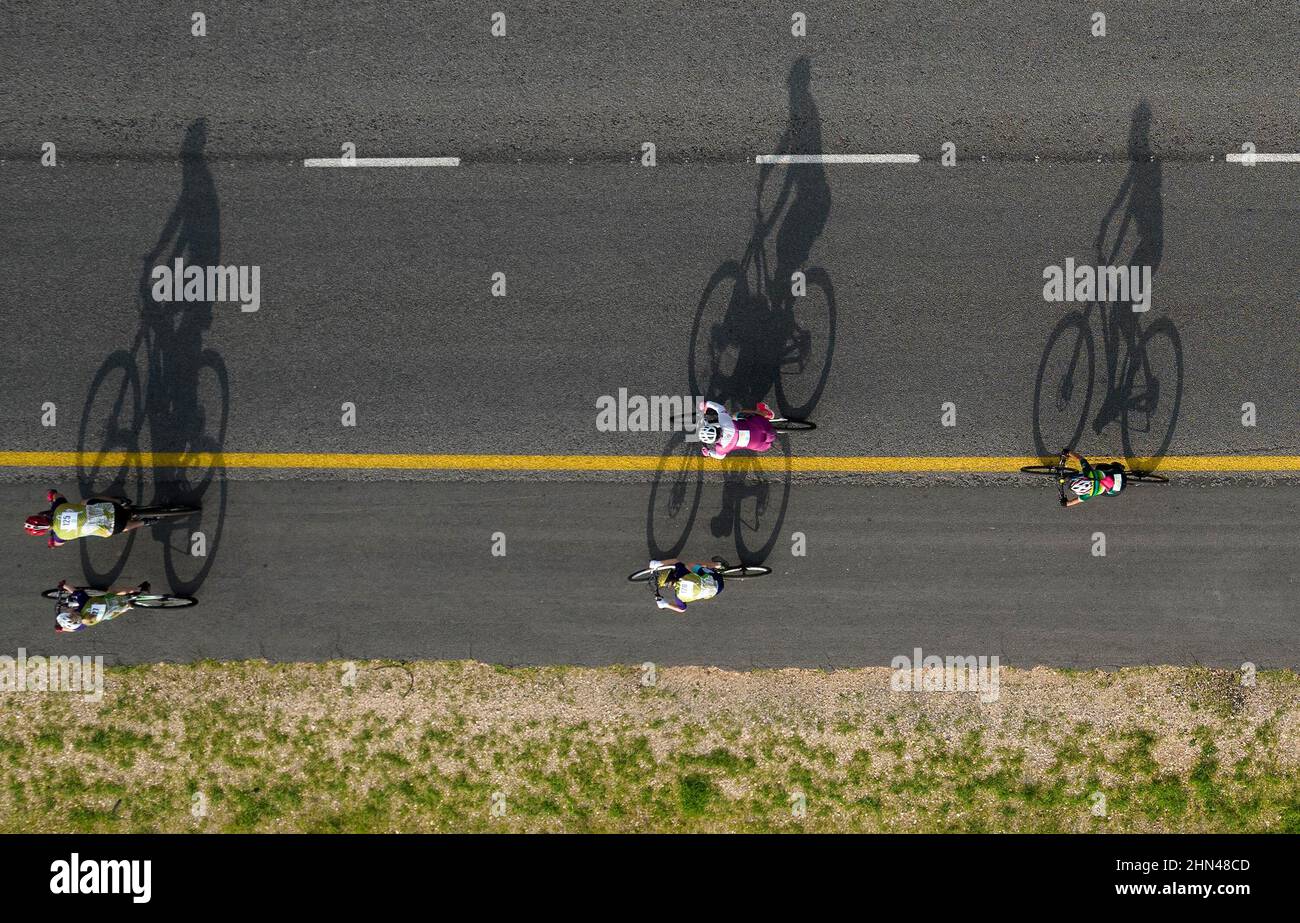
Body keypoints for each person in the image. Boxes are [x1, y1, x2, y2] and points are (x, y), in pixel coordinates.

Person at [24, 490, 145, 548]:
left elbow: (57, 543)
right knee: (84, 502)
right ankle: (121, 502)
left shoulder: (60, 535)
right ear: (41, 517)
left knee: (110, 529)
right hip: (113, 508)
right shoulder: (59, 508)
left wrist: (52, 544)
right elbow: (58, 495)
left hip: (116, 526)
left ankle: (143, 522)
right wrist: (52, 494)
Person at [54, 580, 150, 633]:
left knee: (118, 610)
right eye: (67, 611)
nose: (67, 609)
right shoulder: (83, 603)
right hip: (108, 601)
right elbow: (75, 592)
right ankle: (139, 589)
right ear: (72, 613)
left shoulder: (82, 625)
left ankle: (129, 606)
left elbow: (72, 629)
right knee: (112, 590)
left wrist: (62, 629)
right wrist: (64, 585)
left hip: (111, 612)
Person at [697, 399, 777, 459]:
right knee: (736, 415)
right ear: (714, 428)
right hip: (762, 425)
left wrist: (709, 453)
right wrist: (707, 404)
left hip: (761, 446)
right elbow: (720, 408)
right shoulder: (726, 424)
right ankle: (766, 413)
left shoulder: (721, 448)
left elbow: (720, 456)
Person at [645, 559, 724, 612]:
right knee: (692, 565)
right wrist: (657, 564)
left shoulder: (678, 596)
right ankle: (719, 564)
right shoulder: (681, 574)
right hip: (717, 580)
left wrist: (665, 604)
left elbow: (682, 609)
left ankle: (664, 604)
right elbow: (675, 560)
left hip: (716, 591)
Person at [1061, 450, 1126, 507]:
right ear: (1083, 478)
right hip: (1118, 472)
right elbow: (1081, 459)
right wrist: (1068, 452)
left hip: (1119, 490)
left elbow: (1076, 501)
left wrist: (1067, 504)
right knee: (1094, 466)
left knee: (1103, 492)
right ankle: (1119, 466)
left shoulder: (1089, 493)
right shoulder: (1088, 473)